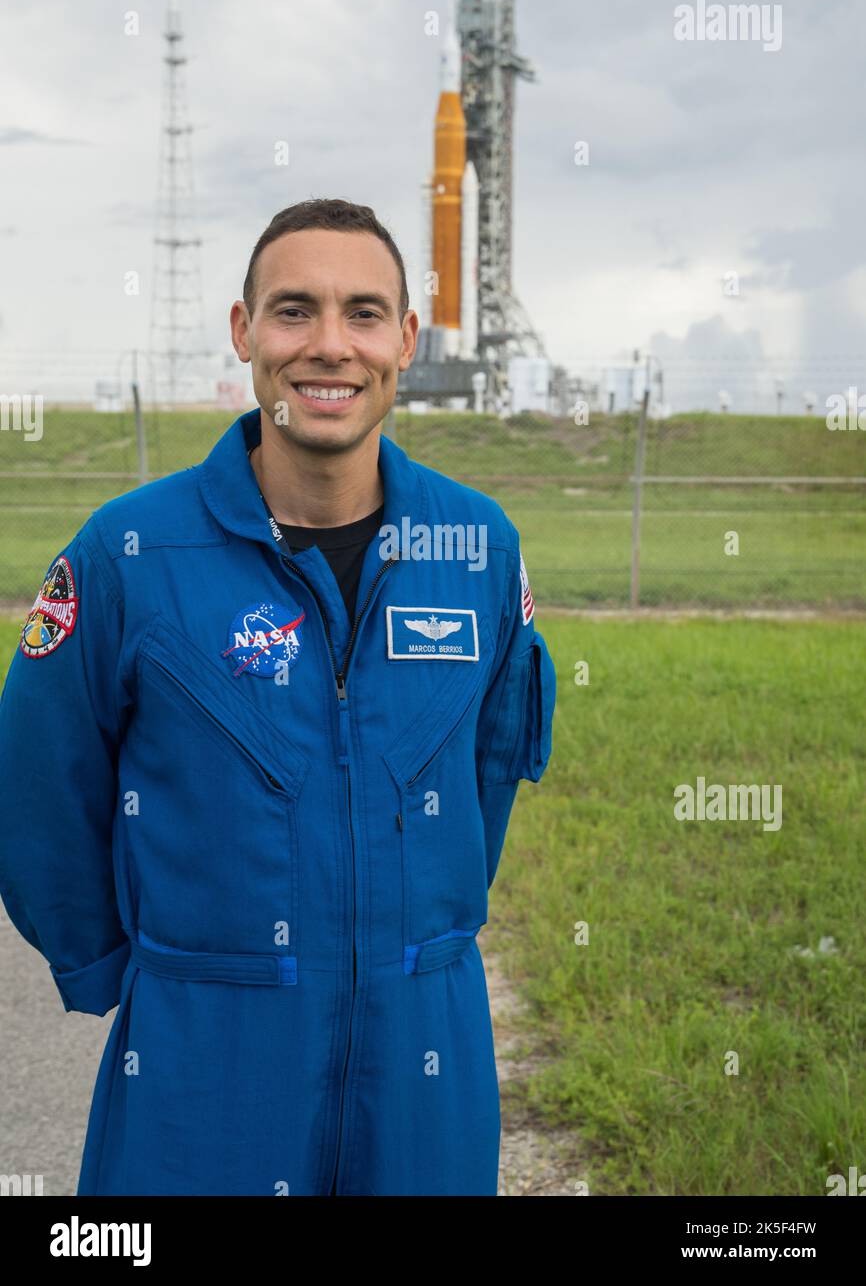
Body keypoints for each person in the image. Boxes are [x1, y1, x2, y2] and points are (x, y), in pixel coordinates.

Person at [0, 198, 556, 1196]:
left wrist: (421, 932)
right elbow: (40, 780)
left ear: (406, 341)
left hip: (426, 1060)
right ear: (243, 330)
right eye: (294, 310)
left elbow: (488, 776)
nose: (329, 346)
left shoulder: (476, 547)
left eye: (363, 313)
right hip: (200, 1067)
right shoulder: (129, 554)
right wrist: (139, 973)